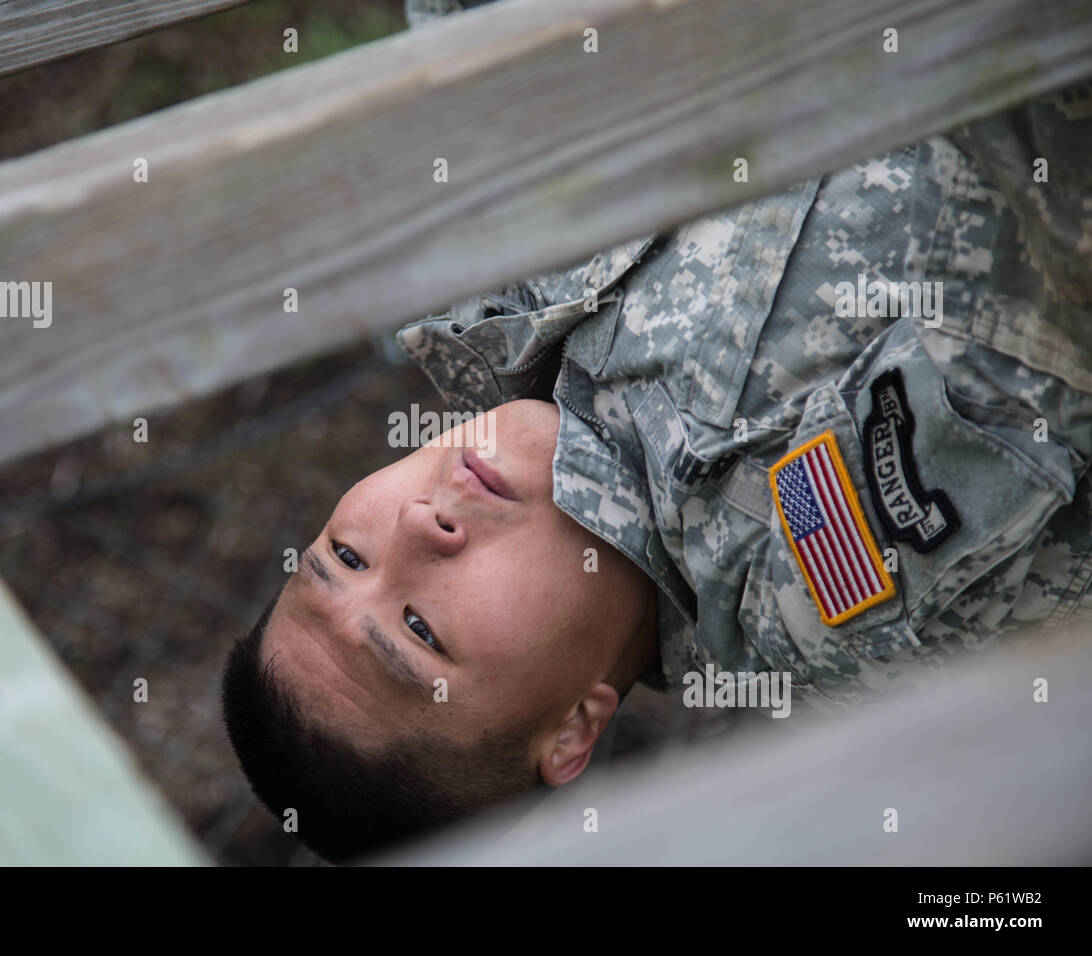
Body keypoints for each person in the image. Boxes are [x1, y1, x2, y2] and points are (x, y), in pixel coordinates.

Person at [221, 1, 1092, 863]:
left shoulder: (474, 286)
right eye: (420, 631)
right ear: (573, 731)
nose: (418, 528)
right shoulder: (818, 591)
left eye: (345, 556)